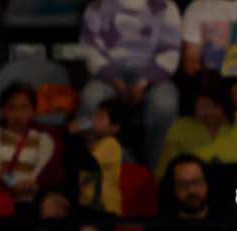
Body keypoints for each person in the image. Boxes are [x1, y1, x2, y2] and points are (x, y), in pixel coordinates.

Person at [77, 0, 184, 168]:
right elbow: (90, 50)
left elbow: (171, 51)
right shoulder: (96, 8)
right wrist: (115, 80)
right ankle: (89, 169)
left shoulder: (166, 7)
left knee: (165, 104)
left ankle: (159, 173)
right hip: (107, 77)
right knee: (91, 98)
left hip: (154, 78)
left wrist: (144, 83)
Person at [0, 82, 63, 217]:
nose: (18, 114)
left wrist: (38, 186)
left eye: (24, 108)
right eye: (12, 108)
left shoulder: (47, 139)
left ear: (33, 111)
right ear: (3, 110)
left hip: (33, 205)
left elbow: (57, 176)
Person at [158, 74, 237, 175]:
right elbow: (165, 175)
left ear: (225, 103)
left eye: (213, 106)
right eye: (203, 107)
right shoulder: (178, 128)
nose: (209, 113)